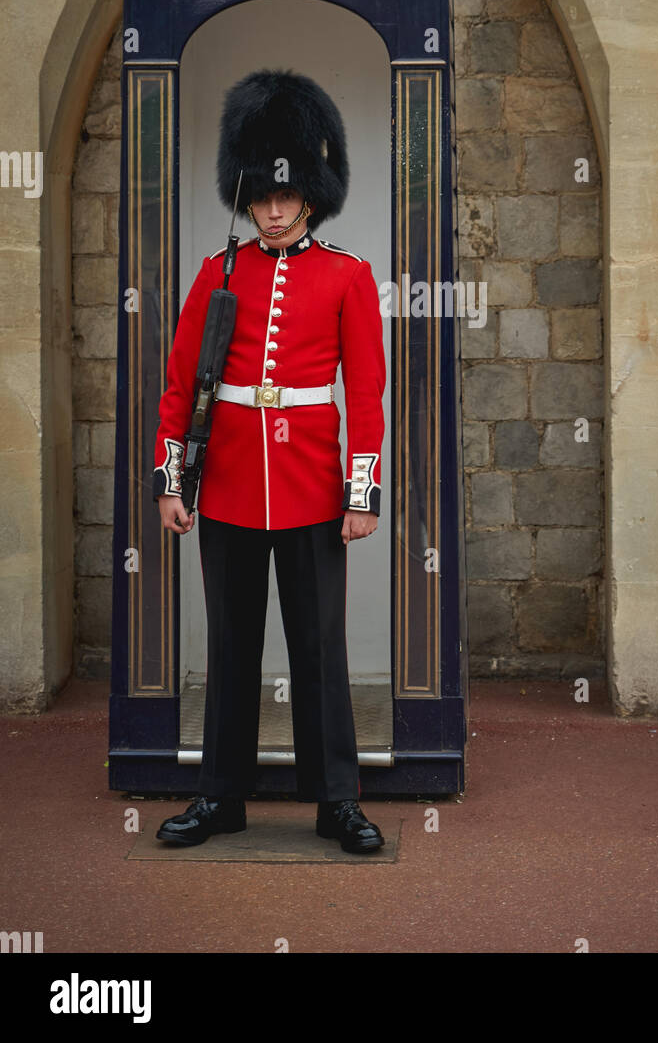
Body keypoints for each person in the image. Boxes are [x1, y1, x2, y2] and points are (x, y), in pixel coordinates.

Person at [153, 69, 386, 853]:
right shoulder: (217, 275)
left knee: (319, 648)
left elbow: (368, 395)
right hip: (225, 493)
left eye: (287, 196)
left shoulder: (348, 276)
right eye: (262, 196)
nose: (276, 209)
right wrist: (171, 480)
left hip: (315, 490)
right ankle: (221, 798)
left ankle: (337, 802)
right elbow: (182, 384)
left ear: (312, 194)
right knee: (231, 647)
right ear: (248, 194)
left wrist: (361, 495)